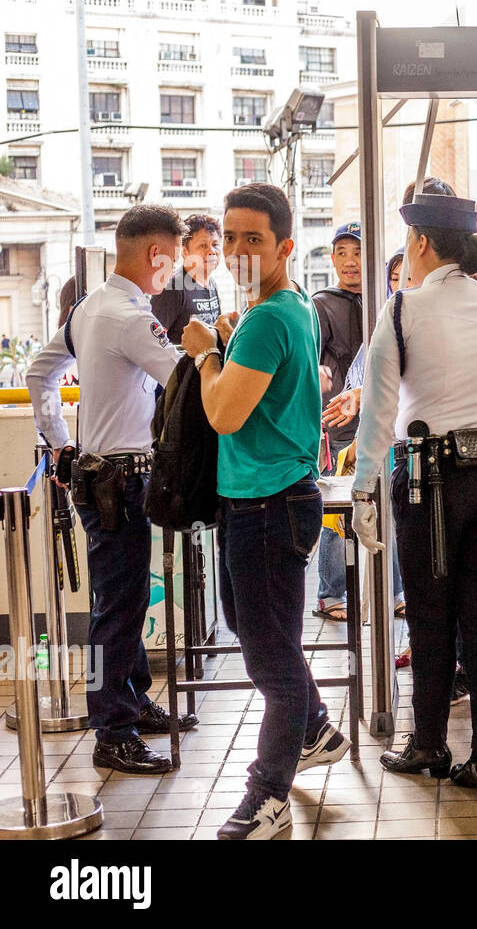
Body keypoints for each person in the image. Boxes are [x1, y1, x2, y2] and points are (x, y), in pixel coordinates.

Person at [181, 183, 351, 838]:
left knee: (271, 660)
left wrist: (203, 352)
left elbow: (224, 412)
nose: (236, 249)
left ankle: (268, 794)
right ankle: (310, 729)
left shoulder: (271, 317)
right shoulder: (285, 308)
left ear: (282, 246)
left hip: (266, 506)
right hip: (266, 500)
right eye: (229, 236)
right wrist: (225, 344)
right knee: (262, 642)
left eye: (253, 238)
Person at [352, 190, 477, 799]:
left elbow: (378, 410)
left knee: (431, 609)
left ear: (421, 242)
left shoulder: (404, 308)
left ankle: (428, 740)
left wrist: (362, 493)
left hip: (434, 481)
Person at [26, 204, 195, 775]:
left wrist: (60, 442)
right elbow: (186, 379)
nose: (173, 273)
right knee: (117, 610)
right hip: (122, 481)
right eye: (172, 259)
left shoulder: (89, 308)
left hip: (95, 475)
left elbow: (38, 373)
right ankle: (111, 732)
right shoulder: (130, 318)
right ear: (154, 254)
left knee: (119, 600)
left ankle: (131, 700)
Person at [312, 221, 365, 622]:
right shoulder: (321, 303)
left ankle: (395, 590)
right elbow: (309, 360)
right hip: (337, 421)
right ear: (332, 260)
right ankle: (331, 593)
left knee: (387, 503)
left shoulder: (387, 301)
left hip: (378, 418)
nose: (350, 261)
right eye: (342, 253)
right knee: (337, 509)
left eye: (358, 252)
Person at [150, 213, 222, 344]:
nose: (212, 251)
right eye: (203, 246)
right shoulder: (172, 287)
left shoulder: (212, 283)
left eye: (215, 244)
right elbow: (153, 343)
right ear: (185, 251)